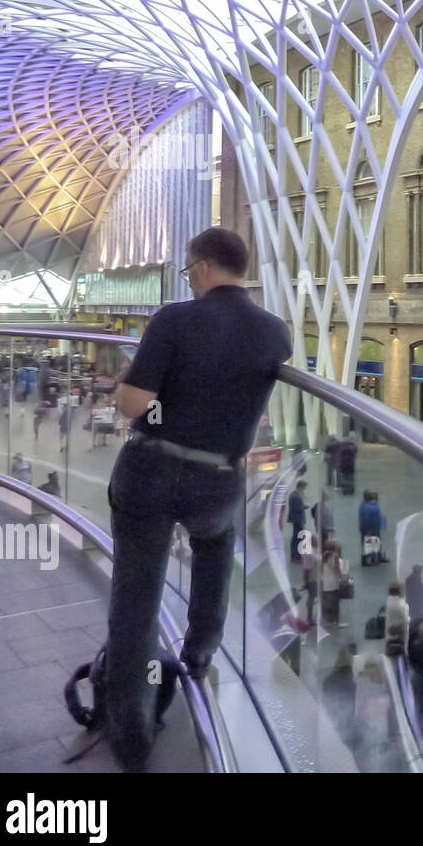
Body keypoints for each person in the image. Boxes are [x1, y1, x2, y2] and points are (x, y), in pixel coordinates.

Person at [104, 227, 290, 771]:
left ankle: (131, 732)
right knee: (216, 544)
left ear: (203, 267)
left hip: (153, 473)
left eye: (189, 272)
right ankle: (199, 654)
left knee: (135, 599)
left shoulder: (174, 319)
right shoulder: (275, 333)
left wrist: (125, 385)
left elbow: (134, 404)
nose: (189, 281)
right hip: (218, 480)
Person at [321, 541, 350, 628]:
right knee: (336, 603)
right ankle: (337, 622)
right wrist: (342, 579)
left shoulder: (325, 555)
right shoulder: (335, 555)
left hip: (326, 582)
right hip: (333, 582)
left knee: (328, 602)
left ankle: (328, 621)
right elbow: (336, 569)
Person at [357, 489, 386, 564]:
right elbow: (377, 518)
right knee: (375, 541)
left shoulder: (362, 506)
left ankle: (366, 558)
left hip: (364, 528)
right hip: (372, 528)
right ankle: (376, 557)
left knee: (365, 543)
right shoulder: (374, 507)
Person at [286, 479, 310, 563]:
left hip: (296, 519)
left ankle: (297, 555)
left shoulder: (295, 494)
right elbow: (298, 508)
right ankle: (296, 556)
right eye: (304, 487)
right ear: (300, 486)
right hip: (297, 519)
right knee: (297, 538)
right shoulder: (296, 496)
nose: (304, 489)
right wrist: (305, 507)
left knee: (298, 537)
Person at [385, 582, 411, 650]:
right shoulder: (402, 605)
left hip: (389, 640)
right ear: (400, 591)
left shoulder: (388, 604)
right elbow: (405, 621)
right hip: (400, 641)